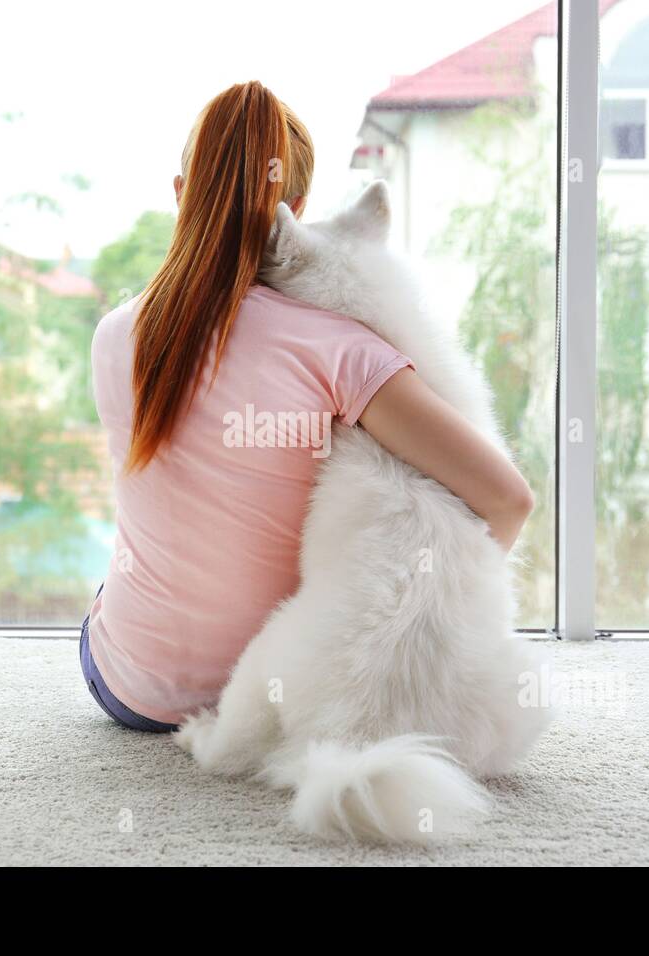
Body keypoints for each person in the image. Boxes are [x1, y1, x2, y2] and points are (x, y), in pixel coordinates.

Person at [81, 81, 534, 731]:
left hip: (135, 695)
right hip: (286, 702)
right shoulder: (344, 349)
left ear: (182, 195)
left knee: (121, 582)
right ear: (296, 211)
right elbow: (507, 500)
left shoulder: (116, 336)